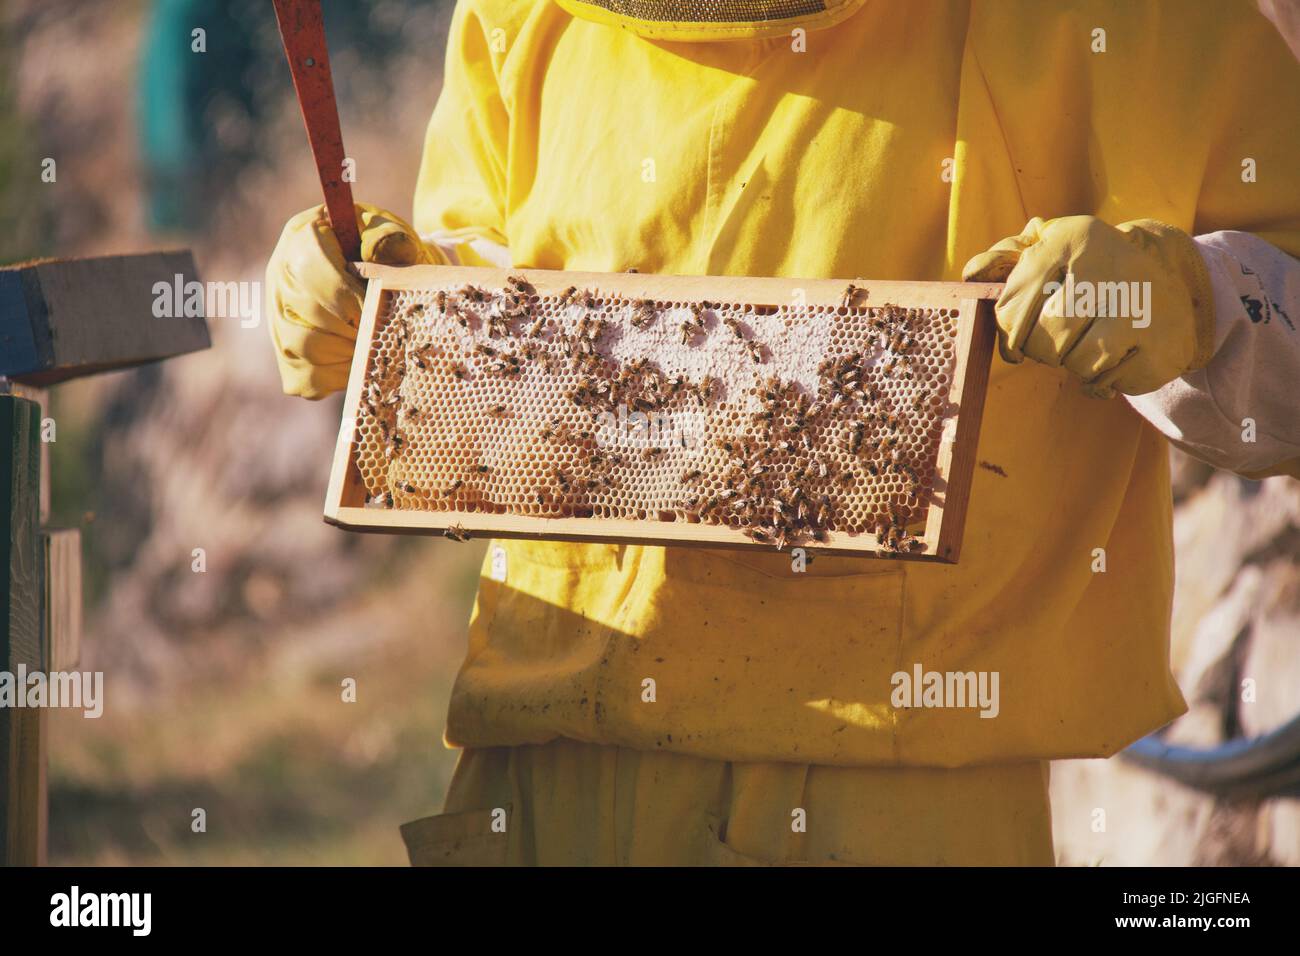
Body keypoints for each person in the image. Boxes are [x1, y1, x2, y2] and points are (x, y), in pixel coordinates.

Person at [266, 0, 1300, 865]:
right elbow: (497, 264)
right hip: (550, 758)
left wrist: (1199, 299)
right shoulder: (522, 12)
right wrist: (386, 301)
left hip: (895, 788)